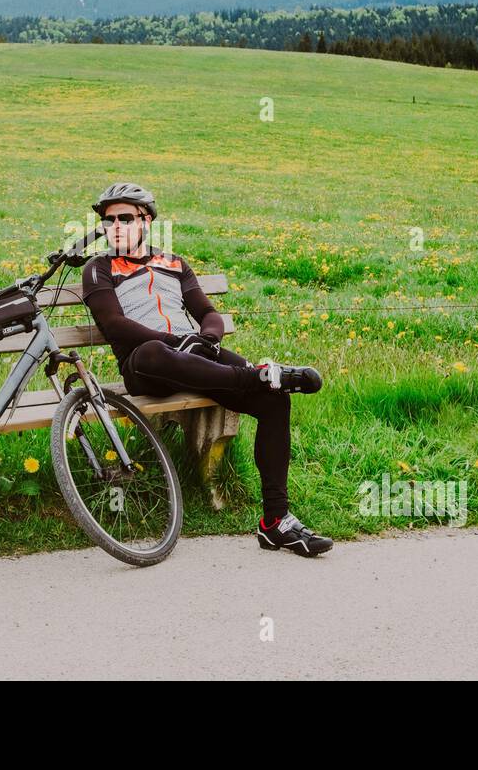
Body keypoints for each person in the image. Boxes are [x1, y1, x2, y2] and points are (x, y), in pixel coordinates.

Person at [80, 182, 335, 557]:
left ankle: (276, 522)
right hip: (147, 364)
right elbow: (114, 324)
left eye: (125, 218)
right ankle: (256, 375)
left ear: (146, 220)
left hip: (195, 356)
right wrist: (176, 343)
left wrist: (208, 341)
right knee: (155, 351)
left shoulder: (175, 263)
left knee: (274, 401)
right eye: (108, 220)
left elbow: (207, 314)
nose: (115, 226)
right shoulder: (98, 268)